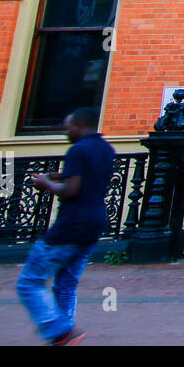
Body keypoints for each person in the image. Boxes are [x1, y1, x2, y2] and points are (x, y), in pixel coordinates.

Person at [16, 107, 116, 345]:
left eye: (68, 127)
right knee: (66, 282)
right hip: (95, 223)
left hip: (71, 224)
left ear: (80, 125)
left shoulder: (77, 149)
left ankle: (61, 332)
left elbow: (71, 190)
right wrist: (61, 175)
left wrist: (45, 183)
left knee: (29, 281)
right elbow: (88, 178)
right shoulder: (106, 149)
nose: (65, 132)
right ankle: (65, 334)